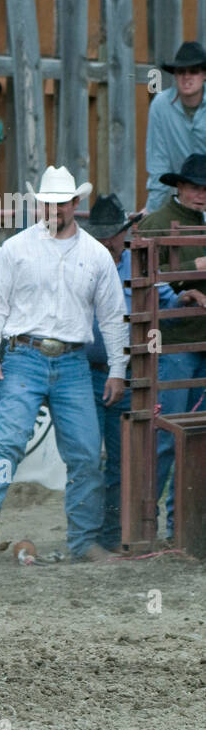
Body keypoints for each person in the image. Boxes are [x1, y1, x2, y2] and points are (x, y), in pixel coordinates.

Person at [0, 166, 128, 566]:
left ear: (75, 204)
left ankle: (83, 541)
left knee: (86, 453)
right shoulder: (17, 249)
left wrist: (118, 367)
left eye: (61, 203)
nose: (54, 210)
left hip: (72, 361)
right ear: (39, 205)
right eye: (47, 204)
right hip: (23, 356)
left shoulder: (95, 255)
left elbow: (112, 316)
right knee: (3, 447)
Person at [84, 194, 183, 550]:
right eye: (103, 234)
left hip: (120, 373)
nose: (107, 240)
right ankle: (87, 537)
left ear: (119, 235)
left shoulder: (135, 265)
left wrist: (181, 298)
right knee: (86, 457)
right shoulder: (88, 263)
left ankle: (109, 535)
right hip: (89, 370)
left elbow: (164, 297)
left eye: (111, 234)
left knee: (119, 462)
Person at [134, 153, 206, 539]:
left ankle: (185, 526)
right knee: (166, 435)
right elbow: (144, 283)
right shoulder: (155, 225)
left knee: (197, 437)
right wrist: (180, 293)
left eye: (205, 188)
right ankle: (151, 525)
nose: (201, 194)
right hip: (174, 345)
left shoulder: (167, 222)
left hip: (197, 343)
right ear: (179, 187)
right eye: (195, 187)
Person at [144, 41, 206, 213]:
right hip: (182, 199)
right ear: (175, 75)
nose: (187, 77)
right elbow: (158, 161)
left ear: (204, 75)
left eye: (193, 71)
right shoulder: (160, 106)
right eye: (180, 71)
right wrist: (151, 210)